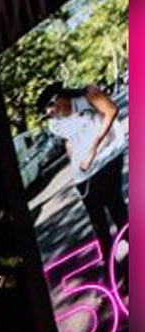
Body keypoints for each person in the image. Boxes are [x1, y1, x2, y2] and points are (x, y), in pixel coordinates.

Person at [36, 81, 128, 263]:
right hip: (85, 172)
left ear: (58, 98)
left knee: (116, 208)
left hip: (109, 156)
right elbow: (71, 141)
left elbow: (111, 110)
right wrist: (75, 169)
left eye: (50, 108)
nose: (50, 115)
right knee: (98, 223)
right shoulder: (55, 124)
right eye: (46, 114)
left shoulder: (88, 94)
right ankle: (113, 272)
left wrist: (94, 148)